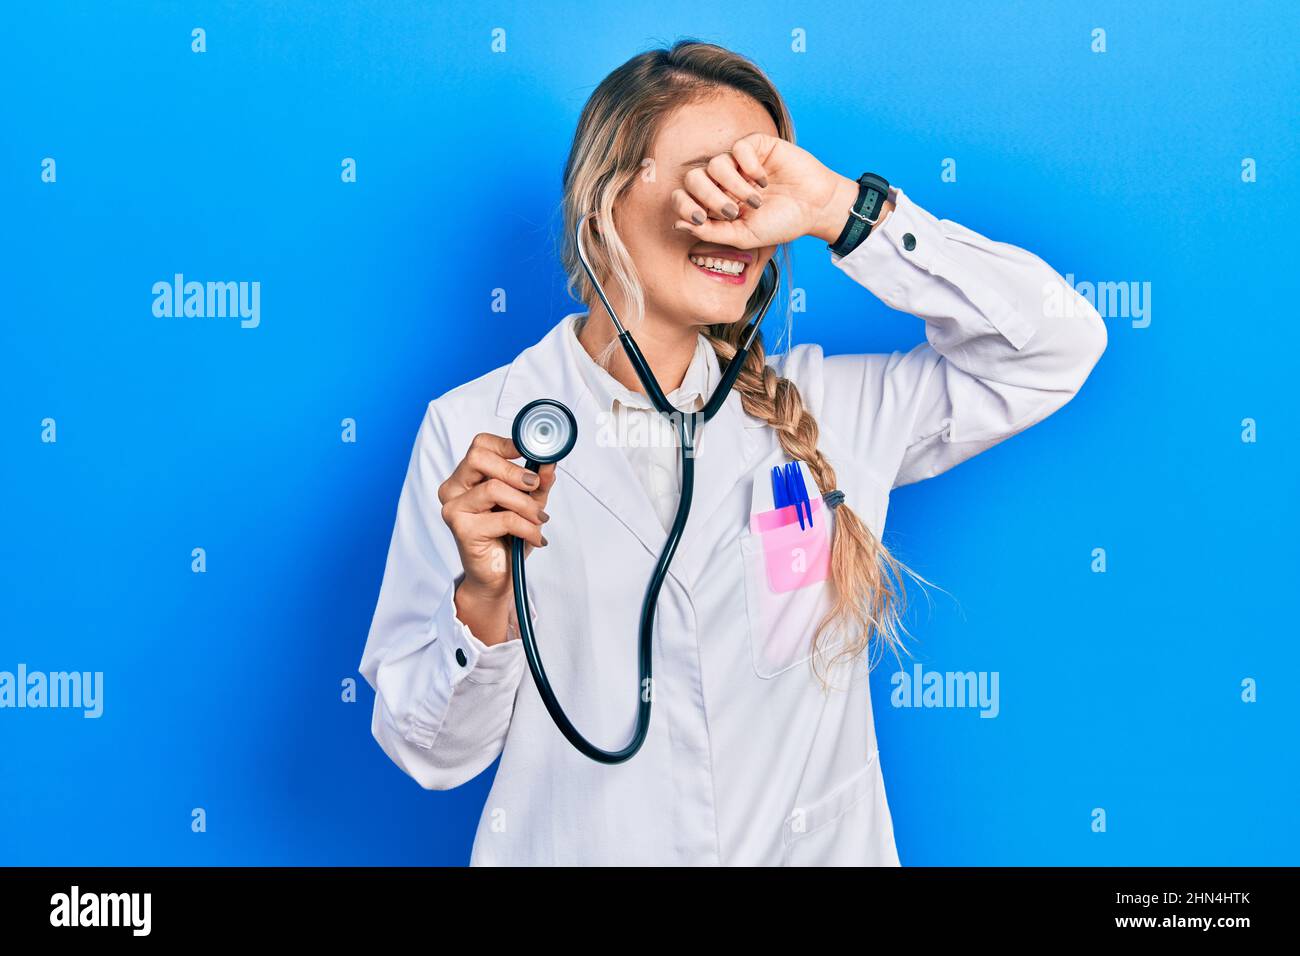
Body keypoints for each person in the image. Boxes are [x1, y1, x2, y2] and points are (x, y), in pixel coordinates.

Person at [358, 39, 1106, 866]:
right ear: (604, 201)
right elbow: (428, 753)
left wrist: (838, 209)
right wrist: (482, 597)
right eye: (709, 179)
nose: (739, 219)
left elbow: (1056, 347)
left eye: (760, 185)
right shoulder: (475, 431)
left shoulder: (835, 412)